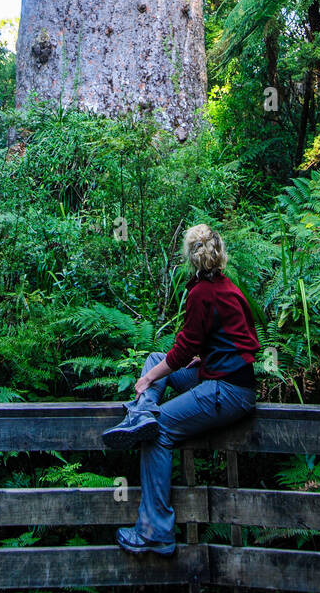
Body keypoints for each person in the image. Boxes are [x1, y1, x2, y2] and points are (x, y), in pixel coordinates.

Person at [102, 223, 259, 555]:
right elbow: (228, 337)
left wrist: (146, 380)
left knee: (158, 433)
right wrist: (207, 357)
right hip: (222, 376)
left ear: (190, 256)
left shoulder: (202, 292)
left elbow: (184, 348)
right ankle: (141, 414)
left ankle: (155, 532)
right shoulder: (226, 286)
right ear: (219, 252)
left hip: (228, 390)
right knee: (156, 358)